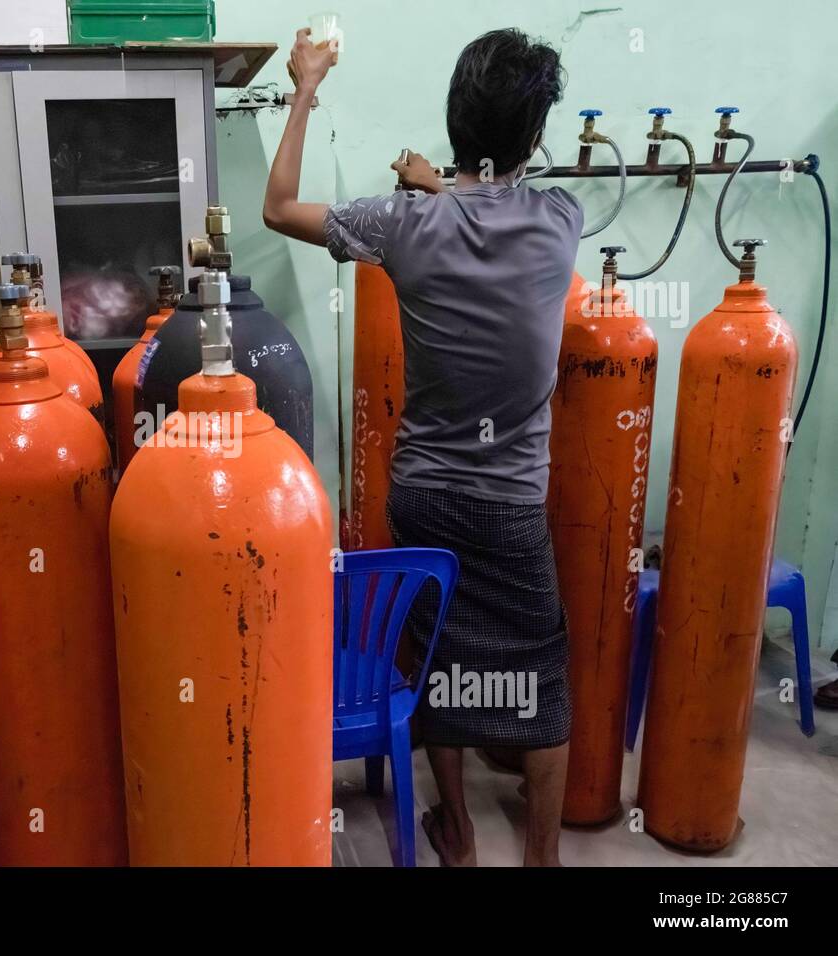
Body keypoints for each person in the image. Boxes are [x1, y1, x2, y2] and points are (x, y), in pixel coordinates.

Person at [264, 27, 582, 866]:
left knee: (434, 654)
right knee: (542, 678)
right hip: (514, 503)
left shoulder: (401, 226)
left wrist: (304, 87)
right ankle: (543, 856)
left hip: (427, 493)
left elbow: (278, 207)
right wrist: (444, 186)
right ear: (536, 136)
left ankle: (460, 832)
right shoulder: (561, 221)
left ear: (455, 116)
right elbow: (488, 214)